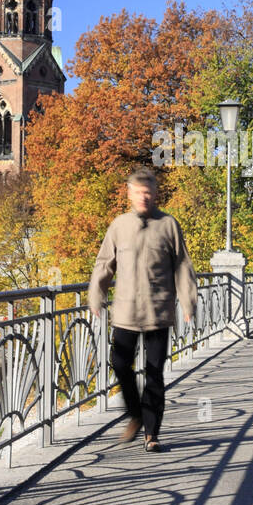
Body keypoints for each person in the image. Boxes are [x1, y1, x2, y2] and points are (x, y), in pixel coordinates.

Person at [88, 167, 197, 453]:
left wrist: (188, 301)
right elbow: (104, 263)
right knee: (120, 364)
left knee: (155, 372)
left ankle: (152, 433)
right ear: (129, 194)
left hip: (158, 310)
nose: (143, 198)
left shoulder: (168, 225)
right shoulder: (119, 225)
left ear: (155, 194)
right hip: (125, 310)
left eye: (148, 192)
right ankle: (135, 414)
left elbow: (182, 265)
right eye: (138, 193)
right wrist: (95, 296)